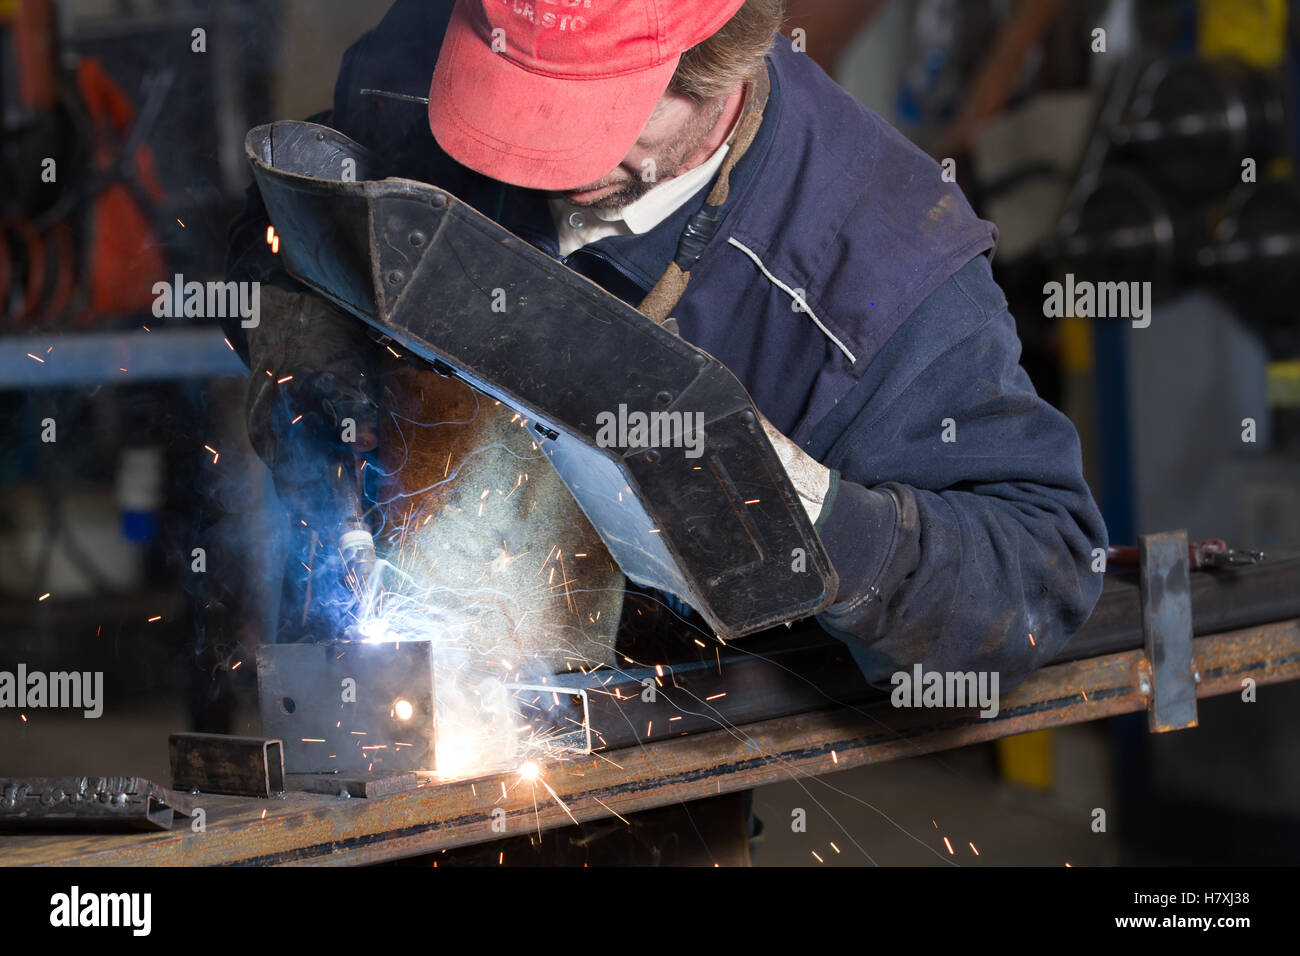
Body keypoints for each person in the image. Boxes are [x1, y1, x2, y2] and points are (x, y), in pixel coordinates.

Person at [225, 0, 1107, 699]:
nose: (532, 155)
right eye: (515, 94)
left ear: (727, 57)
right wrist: (316, 350)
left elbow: (1037, 573)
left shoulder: (877, 265)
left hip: (639, 755)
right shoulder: (420, 58)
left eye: (589, 111)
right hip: (374, 686)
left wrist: (821, 522)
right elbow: (273, 237)